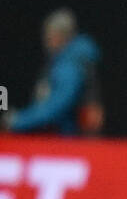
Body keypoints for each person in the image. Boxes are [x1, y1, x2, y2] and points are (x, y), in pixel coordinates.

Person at [5, 8, 102, 136]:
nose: (46, 40)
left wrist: (18, 120)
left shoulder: (69, 64)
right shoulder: (62, 60)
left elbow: (58, 104)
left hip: (66, 138)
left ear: (61, 36)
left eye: (49, 35)